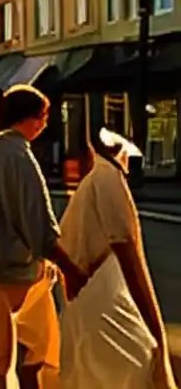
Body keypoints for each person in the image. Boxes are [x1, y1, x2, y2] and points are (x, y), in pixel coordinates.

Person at [0, 84, 86, 389]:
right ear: (28, 118)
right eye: (41, 116)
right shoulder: (21, 158)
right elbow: (38, 223)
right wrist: (72, 269)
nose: (43, 124)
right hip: (22, 273)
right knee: (34, 351)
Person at [59, 128, 176, 389]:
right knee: (137, 363)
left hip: (85, 300)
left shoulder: (92, 182)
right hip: (103, 300)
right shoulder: (108, 179)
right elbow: (128, 253)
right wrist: (155, 329)